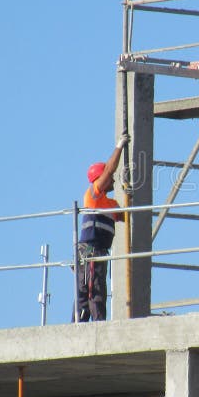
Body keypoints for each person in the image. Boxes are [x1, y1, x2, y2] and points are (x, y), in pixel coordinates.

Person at [76, 133, 129, 321]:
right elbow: (109, 171)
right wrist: (119, 147)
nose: (112, 180)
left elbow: (127, 216)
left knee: (96, 289)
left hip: (99, 252)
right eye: (110, 178)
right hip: (89, 252)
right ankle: (86, 325)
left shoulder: (110, 204)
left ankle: (95, 323)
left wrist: (128, 190)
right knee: (90, 290)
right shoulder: (93, 195)